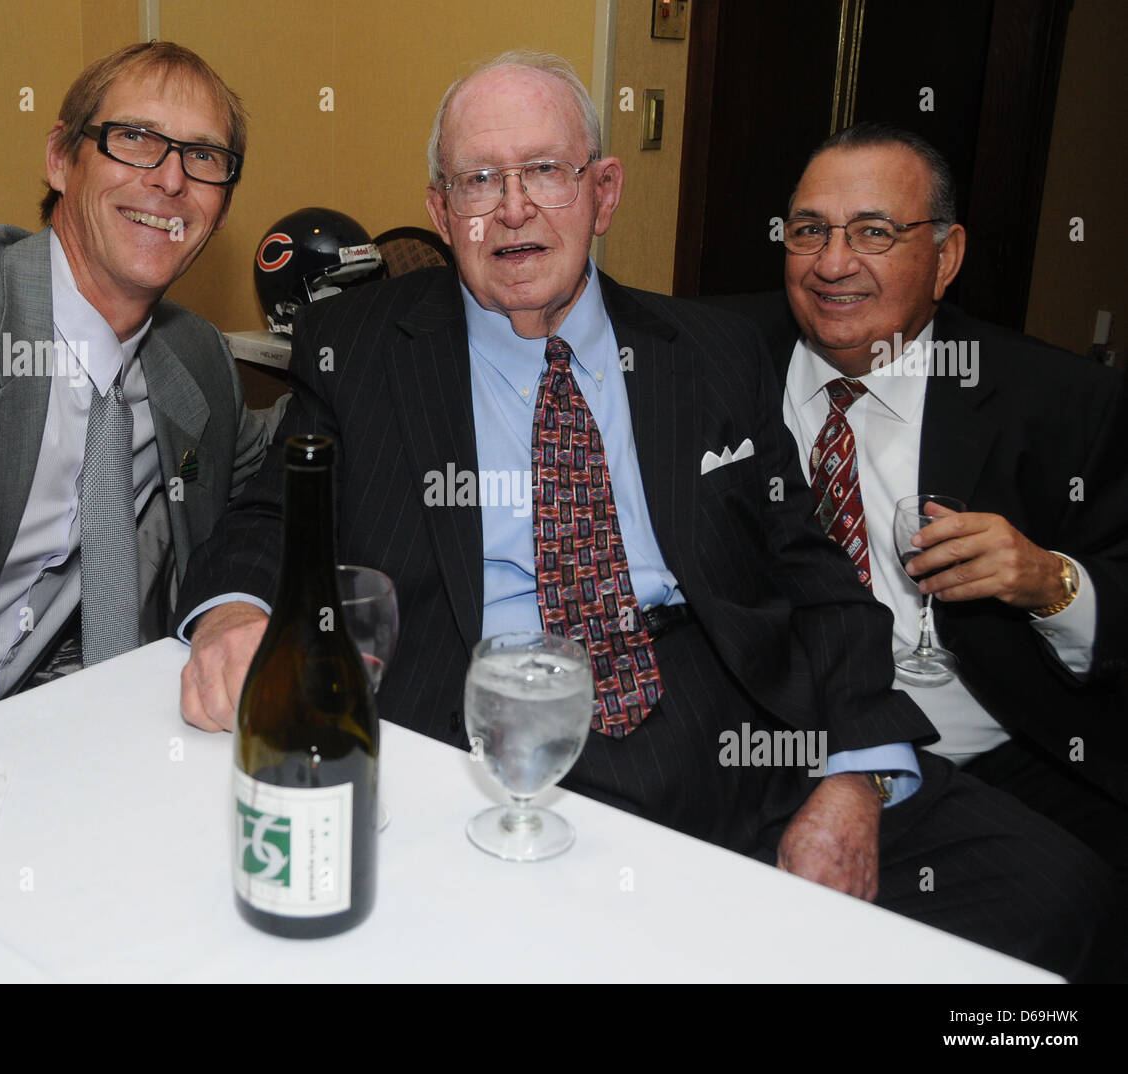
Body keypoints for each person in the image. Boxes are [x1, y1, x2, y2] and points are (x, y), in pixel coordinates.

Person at [175, 53, 1121, 978]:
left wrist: (853, 773)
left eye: (545, 170)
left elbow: (813, 572)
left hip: (740, 723)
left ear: (604, 191)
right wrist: (233, 614)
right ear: (440, 210)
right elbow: (271, 511)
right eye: (478, 180)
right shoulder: (364, 346)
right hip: (492, 733)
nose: (513, 207)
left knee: (1059, 895)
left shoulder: (711, 352)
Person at [0, 42, 281, 898]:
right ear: (61, 158)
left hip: (39, 792)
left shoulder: (199, 368)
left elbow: (290, 459)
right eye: (135, 139)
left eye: (205, 158)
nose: (170, 179)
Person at [709, 122, 1127, 876]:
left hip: (992, 755)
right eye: (810, 231)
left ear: (947, 257)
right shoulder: (712, 355)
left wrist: (1050, 582)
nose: (834, 264)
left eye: (875, 232)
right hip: (765, 742)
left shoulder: (1062, 402)